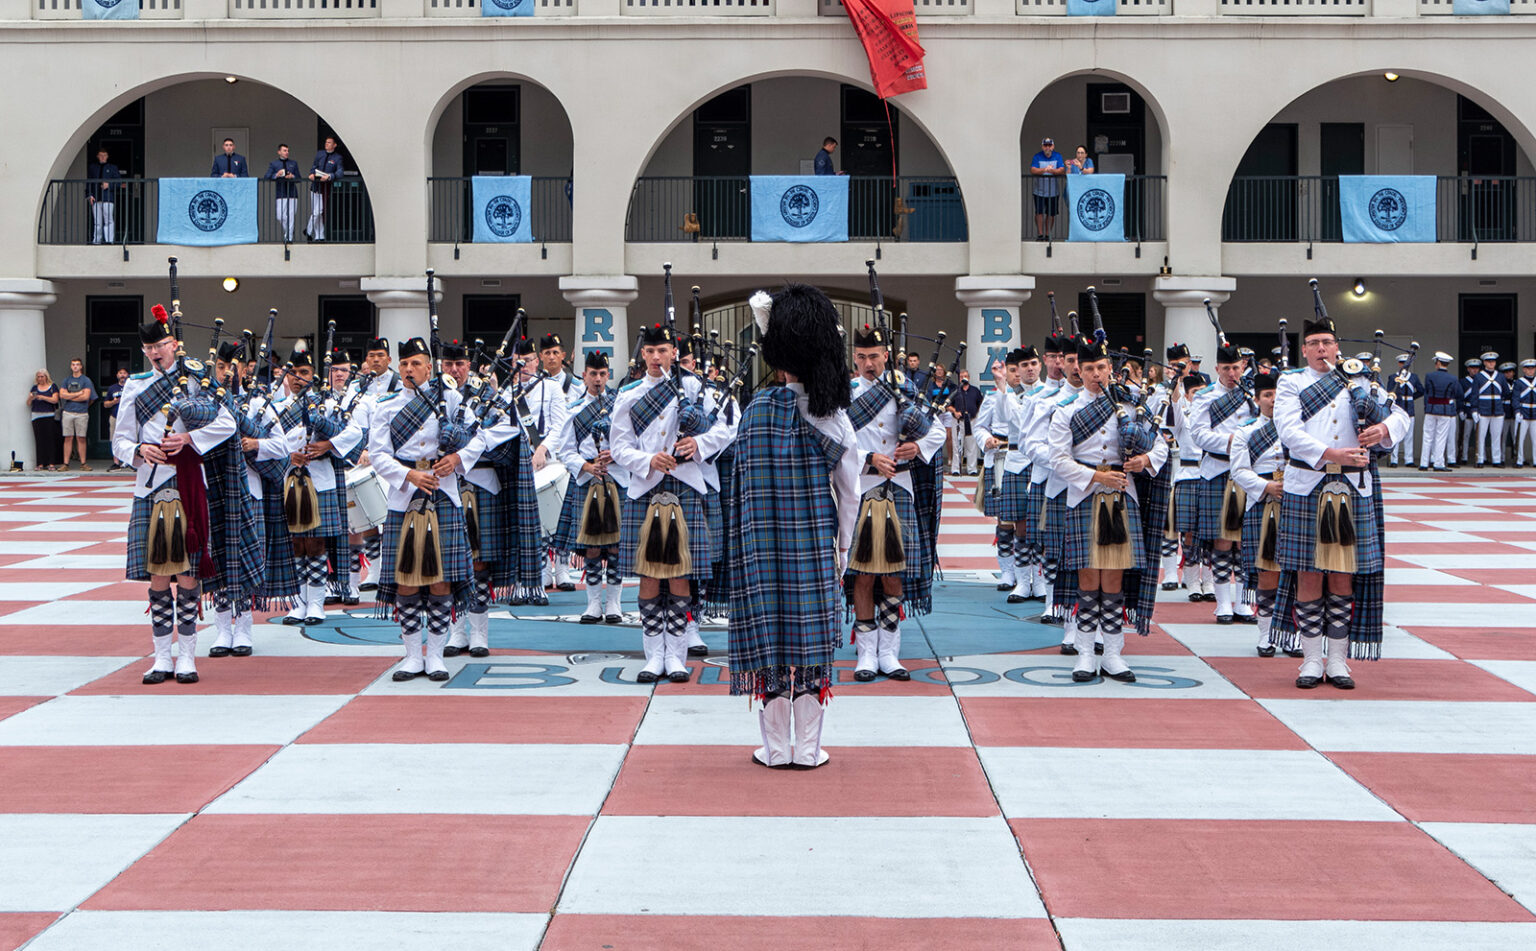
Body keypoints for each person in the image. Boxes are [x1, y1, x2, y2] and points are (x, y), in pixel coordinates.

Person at [729, 285, 859, 770]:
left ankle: (776, 748)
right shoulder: (835, 420)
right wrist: (842, 546)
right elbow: (850, 494)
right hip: (813, 545)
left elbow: (739, 486)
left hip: (760, 545)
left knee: (769, 642)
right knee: (808, 644)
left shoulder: (754, 412)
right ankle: (806, 750)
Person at [1273, 311, 1409, 690]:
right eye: (1314, 344)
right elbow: (1287, 430)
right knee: (1308, 573)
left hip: (1354, 488)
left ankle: (1338, 661)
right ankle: (1311, 660)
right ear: (1304, 349)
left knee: (1344, 574)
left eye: (1327, 343)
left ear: (1337, 347)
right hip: (1308, 484)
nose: (1321, 349)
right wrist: (1332, 454)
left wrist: (1384, 429)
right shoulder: (1291, 382)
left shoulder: (1360, 378)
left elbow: (1401, 415)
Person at [113, 307, 239, 685]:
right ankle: (160, 658)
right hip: (150, 484)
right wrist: (137, 451)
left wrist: (189, 439)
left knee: (187, 572)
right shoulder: (135, 386)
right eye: (149, 347)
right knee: (157, 574)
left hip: (187, 483)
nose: (155, 352)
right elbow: (119, 439)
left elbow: (227, 422)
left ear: (174, 344)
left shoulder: (196, 378)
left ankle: (187, 658)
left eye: (161, 345)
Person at [610, 322, 734, 684]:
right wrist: (647, 460)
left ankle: (676, 655)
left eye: (661, 351)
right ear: (642, 354)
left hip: (686, 486)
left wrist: (699, 445)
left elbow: (725, 428)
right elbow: (619, 447)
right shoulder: (630, 395)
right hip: (646, 489)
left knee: (681, 573)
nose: (655, 357)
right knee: (649, 574)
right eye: (649, 352)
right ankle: (654, 655)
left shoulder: (695, 388)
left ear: (673, 353)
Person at [1048, 333, 1165, 683]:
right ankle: (1085, 652)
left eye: (1101, 367)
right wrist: (1097, 477)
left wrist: (1145, 459)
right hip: (1085, 497)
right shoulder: (1066, 411)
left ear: (1110, 368)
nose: (1096, 374)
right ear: (1078, 372)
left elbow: (1161, 446)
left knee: (1113, 579)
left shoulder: (1131, 406)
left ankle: (1113, 653)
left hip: (1122, 499)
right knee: (1088, 578)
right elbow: (1058, 460)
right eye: (1089, 369)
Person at [371, 336, 478, 683]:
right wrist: (409, 475)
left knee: (440, 579)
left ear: (429, 368)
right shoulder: (385, 406)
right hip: (404, 497)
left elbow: (479, 436)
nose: (408, 370)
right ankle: (411, 656)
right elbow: (378, 454)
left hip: (443, 495)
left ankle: (435, 655)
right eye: (404, 364)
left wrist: (457, 459)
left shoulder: (450, 399)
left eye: (416, 364)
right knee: (405, 581)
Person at [846, 324, 946, 681]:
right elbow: (834, 442)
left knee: (892, 574)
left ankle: (889, 652)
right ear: (853, 359)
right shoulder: (845, 393)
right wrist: (870, 457)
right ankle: (866, 653)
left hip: (899, 487)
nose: (868, 363)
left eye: (874, 356)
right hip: (860, 488)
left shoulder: (904, 389)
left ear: (886, 356)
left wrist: (918, 447)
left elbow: (936, 429)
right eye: (861, 357)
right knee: (861, 575)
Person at [553, 350, 628, 625]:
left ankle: (615, 604)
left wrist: (616, 456)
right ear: (584, 375)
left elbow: (632, 442)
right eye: (593, 374)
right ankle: (594, 603)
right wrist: (586, 467)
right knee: (593, 547)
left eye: (602, 374)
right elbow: (565, 450)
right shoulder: (573, 410)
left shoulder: (620, 406)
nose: (598, 379)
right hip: (589, 480)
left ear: (608, 375)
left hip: (617, 478)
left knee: (617, 546)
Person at [1186, 341, 1258, 625]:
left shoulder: (1251, 394)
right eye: (1226, 368)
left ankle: (1243, 603)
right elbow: (1199, 435)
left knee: (1244, 541)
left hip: (1248, 472)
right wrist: (1233, 441)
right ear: (1217, 369)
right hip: (1218, 469)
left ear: (1243, 367)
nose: (1232, 373)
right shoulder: (1205, 397)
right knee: (1222, 539)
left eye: (1236, 367)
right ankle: (1223, 603)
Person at [1228, 369, 1285, 657]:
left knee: (1296, 572)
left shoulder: (1297, 428)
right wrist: (1266, 486)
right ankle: (1266, 633)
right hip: (1261, 502)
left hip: (1296, 501)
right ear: (1257, 398)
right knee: (1266, 571)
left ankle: (1292, 631)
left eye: (1277, 394)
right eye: (1267, 395)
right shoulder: (1246, 431)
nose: (1273, 400)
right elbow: (1238, 470)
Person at [1419, 351, 1458, 472]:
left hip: (1431, 408)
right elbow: (1456, 393)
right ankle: (1438, 463)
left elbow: (1427, 391)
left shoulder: (1429, 376)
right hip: (1445, 409)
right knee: (1441, 437)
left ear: (1438, 363)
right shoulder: (1453, 378)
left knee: (1427, 436)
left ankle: (1424, 463)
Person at [1472, 350, 1510, 468]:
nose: (1491, 363)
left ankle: (1496, 460)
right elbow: (1474, 394)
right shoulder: (1478, 376)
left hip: (1497, 410)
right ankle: (1480, 460)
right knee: (1481, 436)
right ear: (1484, 363)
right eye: (1488, 361)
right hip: (1483, 410)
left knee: (1496, 436)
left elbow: (1506, 392)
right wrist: (1474, 409)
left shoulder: (1500, 376)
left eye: (1493, 361)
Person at [57, 358, 96, 470]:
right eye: (73, 364)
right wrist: (78, 393)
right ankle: (66, 463)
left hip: (82, 413)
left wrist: (70, 396)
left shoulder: (86, 380)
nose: (75, 366)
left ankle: (83, 463)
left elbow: (86, 397)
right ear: (71, 366)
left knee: (81, 438)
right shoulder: (66, 380)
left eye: (77, 364)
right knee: (68, 438)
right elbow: (62, 395)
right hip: (68, 412)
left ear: (81, 367)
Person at [1387, 353, 1424, 467]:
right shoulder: (1393, 377)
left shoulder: (1414, 377)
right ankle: (1394, 460)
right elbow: (1389, 392)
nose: (1404, 365)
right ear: (1399, 364)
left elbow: (1421, 390)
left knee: (1409, 435)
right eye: (1402, 363)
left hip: (1409, 408)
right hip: (1398, 408)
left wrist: (1412, 398)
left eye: (1406, 363)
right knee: (1396, 434)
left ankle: (1409, 459)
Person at [306, 137, 345, 242]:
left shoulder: (337, 158)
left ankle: (308, 230)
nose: (326, 144)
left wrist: (329, 176)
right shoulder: (320, 154)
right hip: (315, 186)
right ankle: (320, 235)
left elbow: (340, 172)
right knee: (316, 211)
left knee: (319, 211)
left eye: (329, 142)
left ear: (334, 145)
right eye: (326, 142)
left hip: (325, 187)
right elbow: (314, 166)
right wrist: (311, 174)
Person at [1030, 137, 1066, 241]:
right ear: (1042, 147)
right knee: (1039, 212)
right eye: (1045, 145)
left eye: (1049, 145)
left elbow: (1061, 170)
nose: (1047, 148)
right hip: (1039, 191)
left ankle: (1047, 234)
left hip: (1053, 191)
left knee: (1051, 214)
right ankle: (1040, 234)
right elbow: (1033, 170)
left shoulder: (1057, 156)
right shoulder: (1037, 156)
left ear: (1053, 146)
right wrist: (1045, 169)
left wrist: (1051, 171)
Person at [949, 369, 983, 476]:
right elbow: (948, 405)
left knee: (971, 445)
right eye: (961, 376)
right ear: (959, 379)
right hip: (958, 421)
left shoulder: (975, 390)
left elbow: (980, 404)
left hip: (971, 420)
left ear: (969, 377)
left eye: (965, 376)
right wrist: (955, 411)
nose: (964, 378)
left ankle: (972, 469)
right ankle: (956, 469)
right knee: (957, 445)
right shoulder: (955, 390)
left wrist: (975, 415)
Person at [264, 143, 301, 243]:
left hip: (292, 192)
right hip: (280, 193)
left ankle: (289, 238)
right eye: (284, 150)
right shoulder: (274, 164)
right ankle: (289, 231)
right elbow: (267, 176)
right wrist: (277, 174)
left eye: (288, 151)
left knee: (291, 215)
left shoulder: (293, 163)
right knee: (280, 216)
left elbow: (299, 178)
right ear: (279, 152)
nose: (287, 152)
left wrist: (292, 176)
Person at [27, 369, 62, 471]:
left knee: (50, 439)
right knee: (39, 440)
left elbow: (55, 399)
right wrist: (31, 398)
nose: (40, 378)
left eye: (42, 376)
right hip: (36, 415)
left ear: (46, 377)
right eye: (38, 377)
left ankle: (51, 463)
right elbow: (28, 403)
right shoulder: (34, 388)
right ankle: (40, 463)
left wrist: (42, 397)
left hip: (49, 415)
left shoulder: (53, 387)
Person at [87, 147, 122, 245]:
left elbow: (119, 183)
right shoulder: (93, 168)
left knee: (108, 220)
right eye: (101, 155)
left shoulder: (112, 168)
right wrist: (89, 195)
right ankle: (96, 241)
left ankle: (109, 241)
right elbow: (89, 182)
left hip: (108, 199)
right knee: (97, 222)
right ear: (98, 156)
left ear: (107, 156)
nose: (102, 157)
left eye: (104, 155)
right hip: (96, 198)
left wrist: (109, 185)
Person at [102, 367, 130, 470]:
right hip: (115, 416)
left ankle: (128, 462)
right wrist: (114, 402)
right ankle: (116, 462)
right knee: (114, 439)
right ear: (117, 375)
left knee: (129, 438)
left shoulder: (131, 386)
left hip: (128, 417)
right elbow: (105, 404)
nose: (122, 375)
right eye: (120, 373)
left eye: (124, 373)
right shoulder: (112, 388)